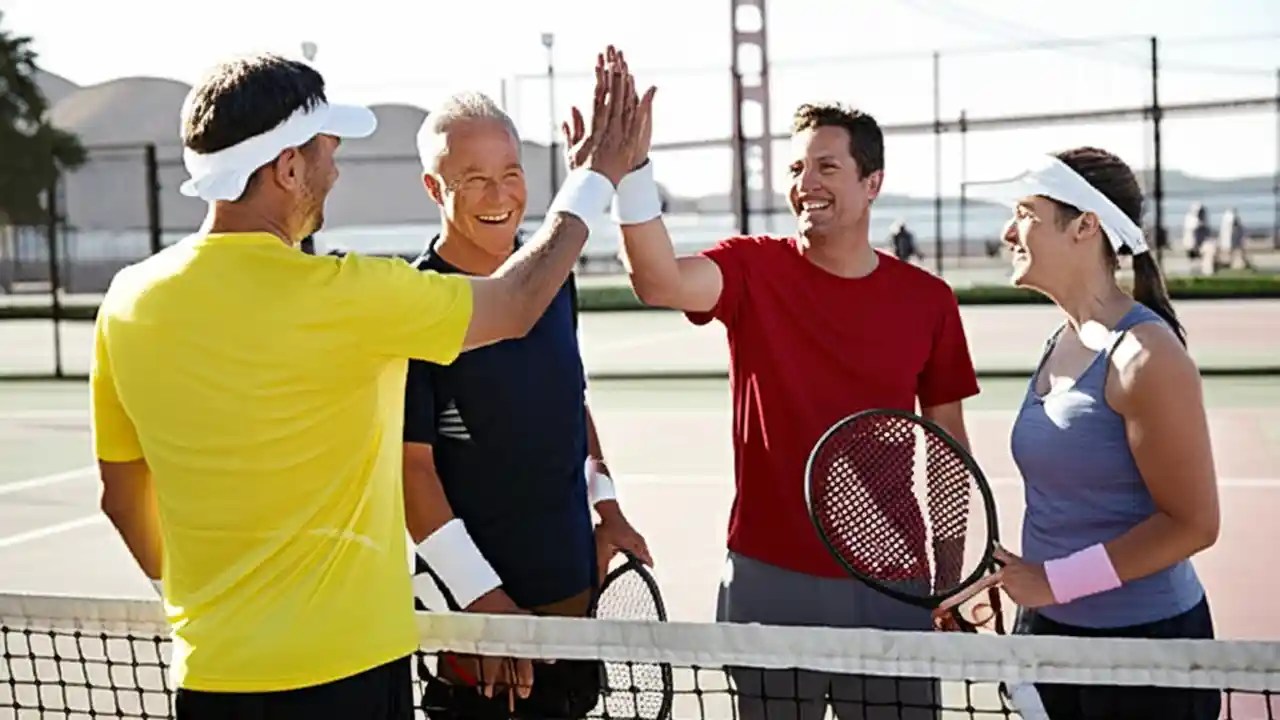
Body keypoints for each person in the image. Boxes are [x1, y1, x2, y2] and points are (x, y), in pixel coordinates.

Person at [90, 49, 643, 719]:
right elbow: (519, 300)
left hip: (210, 676)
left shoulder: (128, 300)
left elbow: (122, 495)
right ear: (288, 168)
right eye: (326, 151)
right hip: (350, 676)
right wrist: (593, 178)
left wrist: (198, 608)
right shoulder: (352, 296)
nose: (335, 168)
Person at [604, 88, 980, 718]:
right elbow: (658, 280)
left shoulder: (929, 299)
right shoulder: (752, 268)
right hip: (769, 578)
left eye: (827, 167)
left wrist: (949, 577)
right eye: (797, 169)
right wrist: (633, 175)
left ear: (872, 183)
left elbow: (947, 447)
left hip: (893, 586)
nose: (807, 183)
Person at [401, 88, 653, 719]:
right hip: (476, 641)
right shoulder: (410, 304)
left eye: (510, 174)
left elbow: (574, 406)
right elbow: (410, 475)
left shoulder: (551, 279)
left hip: (571, 617)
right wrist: (484, 603)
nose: (500, 196)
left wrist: (608, 507)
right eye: (475, 180)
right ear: (435, 190)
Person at [978, 147, 1221, 719]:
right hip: (1050, 636)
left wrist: (1053, 581)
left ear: (1085, 226)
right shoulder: (1062, 338)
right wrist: (1023, 586)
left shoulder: (1145, 355)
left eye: (1026, 212)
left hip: (1144, 655)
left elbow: (1194, 524)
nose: (1008, 231)